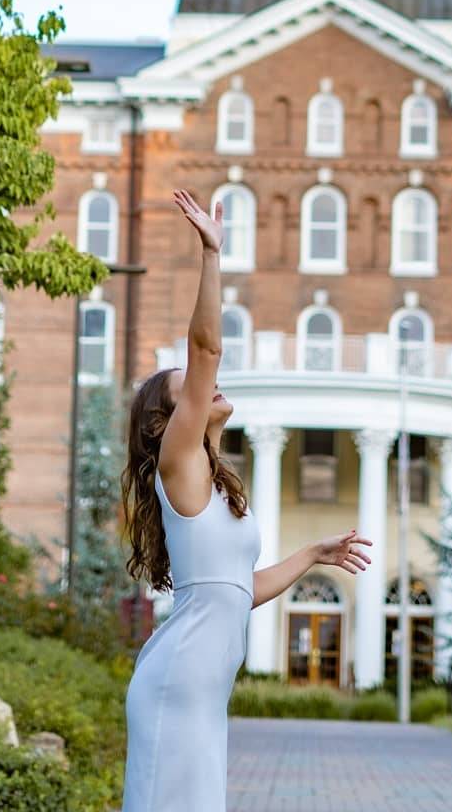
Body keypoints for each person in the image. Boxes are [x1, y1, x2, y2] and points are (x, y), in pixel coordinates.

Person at [119, 188, 372, 812]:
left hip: (202, 688)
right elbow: (205, 348)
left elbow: (238, 589)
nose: (209, 385)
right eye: (192, 391)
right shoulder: (178, 462)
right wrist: (212, 254)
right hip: (178, 681)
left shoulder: (212, 478)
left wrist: (313, 553)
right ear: (167, 420)